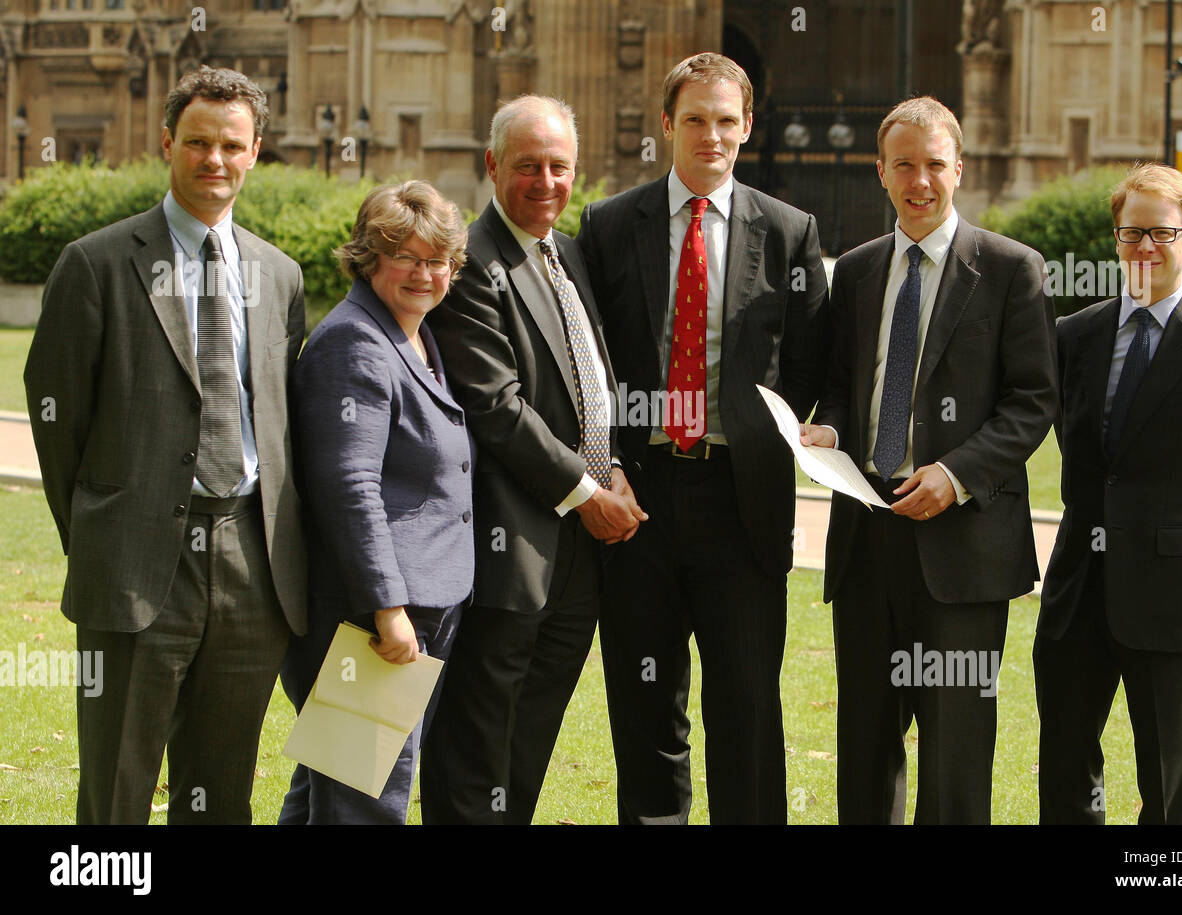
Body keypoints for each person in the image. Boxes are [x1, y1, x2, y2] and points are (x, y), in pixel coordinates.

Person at [23, 66, 308, 824]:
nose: (214, 160)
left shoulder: (279, 275)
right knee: (116, 791)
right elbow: (58, 423)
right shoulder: (96, 263)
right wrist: (105, 525)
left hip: (253, 567)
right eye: (197, 143)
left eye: (231, 145)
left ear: (256, 153)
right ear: (166, 145)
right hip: (136, 565)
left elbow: (281, 423)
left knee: (220, 794)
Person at [578, 52, 829, 824]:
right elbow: (587, 360)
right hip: (639, 499)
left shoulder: (789, 232)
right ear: (667, 125)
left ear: (746, 127)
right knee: (647, 706)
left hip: (741, 503)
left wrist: (792, 429)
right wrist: (606, 467)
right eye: (695, 118)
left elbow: (815, 359)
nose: (710, 134)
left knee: (748, 707)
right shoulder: (610, 225)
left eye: (726, 120)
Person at [803, 95, 1057, 824]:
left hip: (964, 546)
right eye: (904, 165)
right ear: (880, 171)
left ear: (960, 169)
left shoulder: (1013, 269)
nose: (920, 180)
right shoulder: (852, 271)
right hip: (868, 534)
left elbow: (1033, 400)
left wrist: (957, 475)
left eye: (934, 164)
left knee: (956, 756)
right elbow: (845, 388)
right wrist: (827, 430)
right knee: (866, 746)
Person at [422, 95, 645, 825]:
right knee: (477, 748)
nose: (546, 181)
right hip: (506, 551)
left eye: (559, 167)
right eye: (527, 166)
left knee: (529, 745)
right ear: (491, 167)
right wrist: (588, 491)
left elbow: (588, 381)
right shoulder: (472, 267)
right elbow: (498, 406)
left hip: (577, 559)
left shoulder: (569, 252)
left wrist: (609, 468)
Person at [1035, 163, 1182, 825]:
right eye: (1131, 232)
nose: (1145, 247)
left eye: (1161, 233)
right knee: (1063, 761)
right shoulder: (1074, 336)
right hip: (1077, 585)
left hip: (1171, 594)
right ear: (1115, 239)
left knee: (1167, 777)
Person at [277, 180, 474, 825]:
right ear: (368, 258)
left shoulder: (410, 332)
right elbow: (349, 487)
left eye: (437, 260)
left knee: (329, 789)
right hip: (372, 615)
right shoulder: (355, 342)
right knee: (363, 801)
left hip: (413, 605)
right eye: (407, 258)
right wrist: (388, 612)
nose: (425, 274)